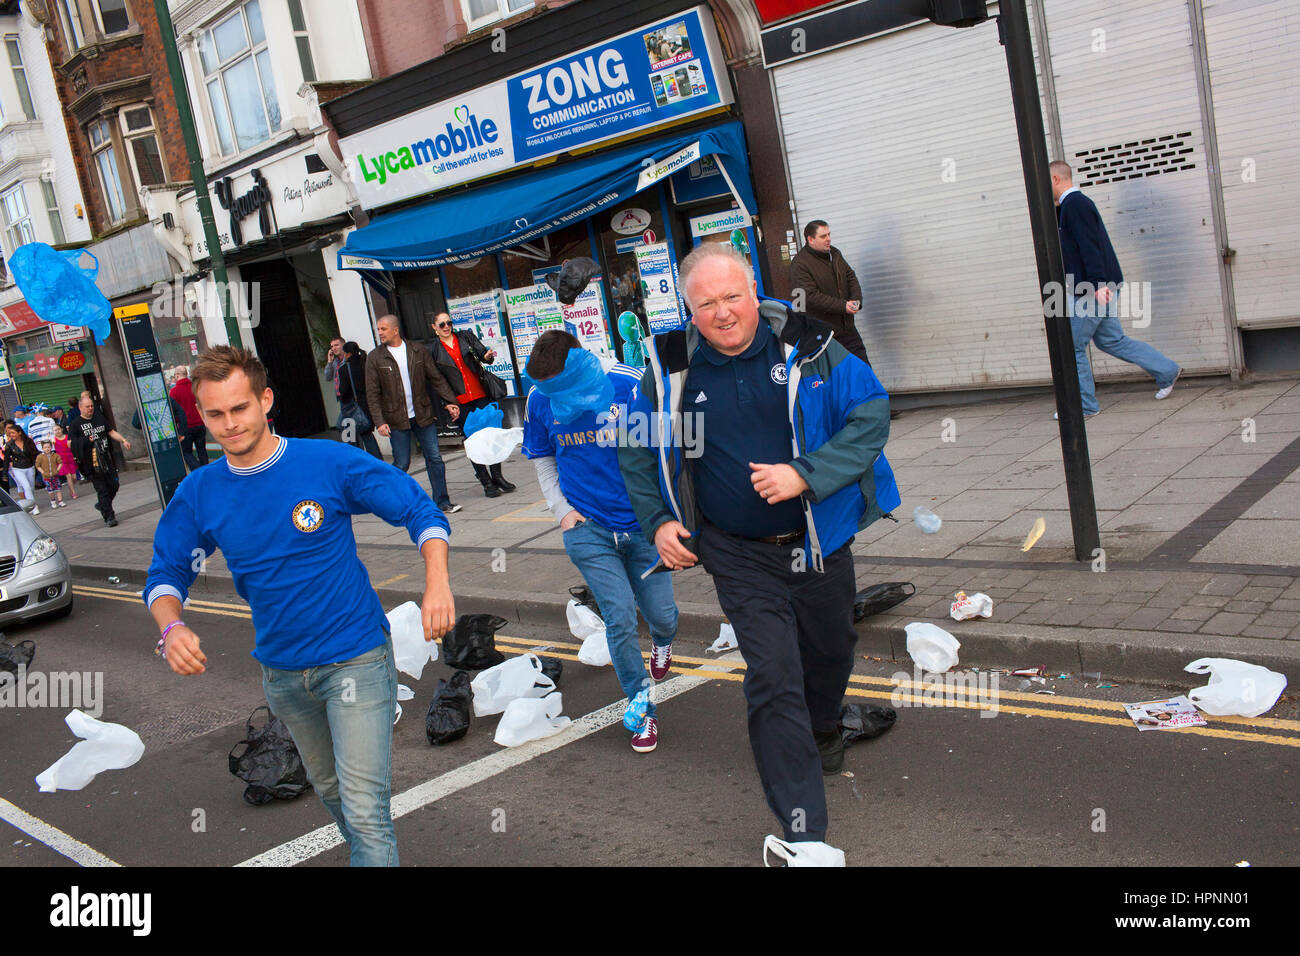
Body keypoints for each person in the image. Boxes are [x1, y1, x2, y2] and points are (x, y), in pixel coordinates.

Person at [617, 243, 900, 867]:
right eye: (706, 303)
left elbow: (872, 413)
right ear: (688, 309)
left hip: (818, 541)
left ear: (755, 291)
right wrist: (660, 520)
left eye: (732, 296)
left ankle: (825, 729)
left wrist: (807, 473)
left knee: (830, 652)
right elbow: (637, 448)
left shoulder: (810, 345)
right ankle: (804, 837)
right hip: (736, 551)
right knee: (773, 674)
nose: (722, 313)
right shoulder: (669, 369)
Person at [144, 346, 454, 867]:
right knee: (333, 793)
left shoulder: (324, 461)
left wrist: (437, 583)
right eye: (214, 414)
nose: (229, 424)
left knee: (363, 805)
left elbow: (417, 509)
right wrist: (170, 627)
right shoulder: (200, 492)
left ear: (265, 400)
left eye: (239, 408)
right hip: (284, 674)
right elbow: (167, 572)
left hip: (355, 657)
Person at [523, 330, 677, 753]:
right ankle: (642, 708)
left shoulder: (629, 384)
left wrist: (672, 516)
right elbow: (543, 460)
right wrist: (562, 512)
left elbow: (667, 450)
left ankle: (664, 642)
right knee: (620, 617)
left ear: (580, 362)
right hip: (588, 530)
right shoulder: (539, 399)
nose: (556, 395)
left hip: (644, 526)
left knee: (662, 616)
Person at [1051, 160, 1180, 417]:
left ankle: (1084, 406)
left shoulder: (1075, 204)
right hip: (1099, 285)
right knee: (1112, 341)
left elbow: (1090, 246)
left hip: (1093, 288)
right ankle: (1166, 370)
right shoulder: (1069, 205)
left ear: (1055, 180)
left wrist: (1098, 285)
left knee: (1072, 346)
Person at [365, 314, 463, 514]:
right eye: (378, 329)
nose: (380, 332)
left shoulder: (418, 350)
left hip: (423, 413)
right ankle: (389, 500)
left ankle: (442, 501)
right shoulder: (374, 357)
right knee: (402, 462)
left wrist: (451, 401)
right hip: (395, 417)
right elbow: (372, 393)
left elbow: (435, 378)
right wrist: (379, 421)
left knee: (434, 457)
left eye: (383, 329)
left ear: (395, 329)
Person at [428, 312, 515, 498]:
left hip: (480, 394)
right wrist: (448, 403)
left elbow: (484, 355)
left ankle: (498, 476)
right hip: (459, 402)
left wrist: (488, 355)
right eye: (441, 324)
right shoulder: (433, 350)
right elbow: (437, 380)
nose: (446, 327)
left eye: (448, 323)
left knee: (491, 436)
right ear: (434, 327)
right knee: (472, 442)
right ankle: (486, 482)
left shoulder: (465, 336)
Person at [789, 220, 868, 365]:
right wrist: (843, 306)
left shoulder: (835, 253)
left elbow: (850, 276)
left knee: (864, 370)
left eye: (829, 234)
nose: (828, 239)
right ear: (810, 239)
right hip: (825, 336)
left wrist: (856, 300)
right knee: (839, 378)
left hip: (847, 329)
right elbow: (810, 296)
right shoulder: (800, 265)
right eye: (823, 236)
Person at [70, 391, 132, 526]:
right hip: (91, 462)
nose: (90, 408)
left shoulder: (99, 418)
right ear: (80, 407)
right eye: (87, 407)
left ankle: (102, 505)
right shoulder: (76, 424)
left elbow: (110, 431)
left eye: (92, 406)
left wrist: (123, 440)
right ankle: (109, 517)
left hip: (106, 458)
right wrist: (86, 440)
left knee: (114, 485)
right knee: (102, 489)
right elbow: (70, 443)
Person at [337, 341, 382, 460]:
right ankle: (378, 462)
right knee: (367, 435)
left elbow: (344, 390)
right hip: (367, 406)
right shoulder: (366, 363)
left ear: (347, 354)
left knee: (350, 437)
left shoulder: (344, 369)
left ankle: (356, 462)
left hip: (352, 408)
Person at [169, 366, 210, 469]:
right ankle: (207, 472)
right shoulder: (195, 387)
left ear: (177, 375)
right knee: (202, 450)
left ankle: (198, 471)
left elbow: (174, 411)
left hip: (185, 427)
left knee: (186, 452)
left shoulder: (174, 392)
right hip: (200, 424)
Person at [4, 421, 39, 513]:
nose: (11, 435)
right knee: (26, 487)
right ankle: (34, 507)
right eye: (10, 433)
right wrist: (5, 474)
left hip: (30, 467)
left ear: (19, 433)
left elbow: (35, 452)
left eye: (13, 433)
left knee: (31, 488)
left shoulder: (28, 441)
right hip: (17, 468)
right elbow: (6, 460)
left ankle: (30, 503)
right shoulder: (9, 445)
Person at [35, 440, 66, 508]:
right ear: (42, 448)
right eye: (45, 447)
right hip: (46, 477)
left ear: (51, 447)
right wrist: (43, 472)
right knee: (50, 490)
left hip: (55, 475)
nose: (47, 449)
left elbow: (60, 462)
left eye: (48, 447)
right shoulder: (40, 457)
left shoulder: (55, 455)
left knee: (58, 489)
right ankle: (53, 501)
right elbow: (37, 466)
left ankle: (60, 501)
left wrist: (57, 470)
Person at [53, 423, 78, 499]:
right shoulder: (53, 440)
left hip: (70, 458)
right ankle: (73, 492)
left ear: (61, 429)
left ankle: (71, 488)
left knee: (74, 477)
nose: (57, 431)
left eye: (58, 429)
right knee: (69, 476)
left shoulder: (67, 437)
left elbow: (72, 447)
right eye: (55, 430)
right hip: (62, 460)